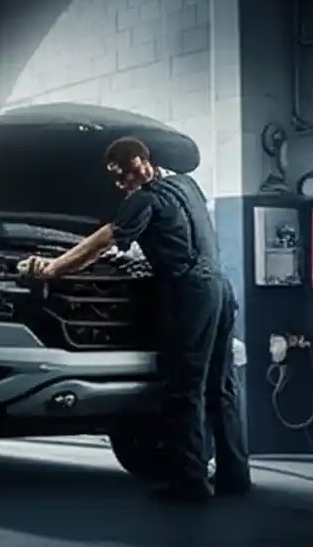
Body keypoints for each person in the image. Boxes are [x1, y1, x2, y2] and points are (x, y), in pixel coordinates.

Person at [17, 136, 249, 502]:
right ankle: (236, 477)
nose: (120, 183)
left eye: (122, 174)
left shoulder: (143, 198)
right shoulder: (187, 184)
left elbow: (104, 240)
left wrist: (53, 268)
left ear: (141, 161)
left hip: (191, 293)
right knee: (222, 387)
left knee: (184, 389)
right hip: (221, 287)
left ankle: (190, 483)